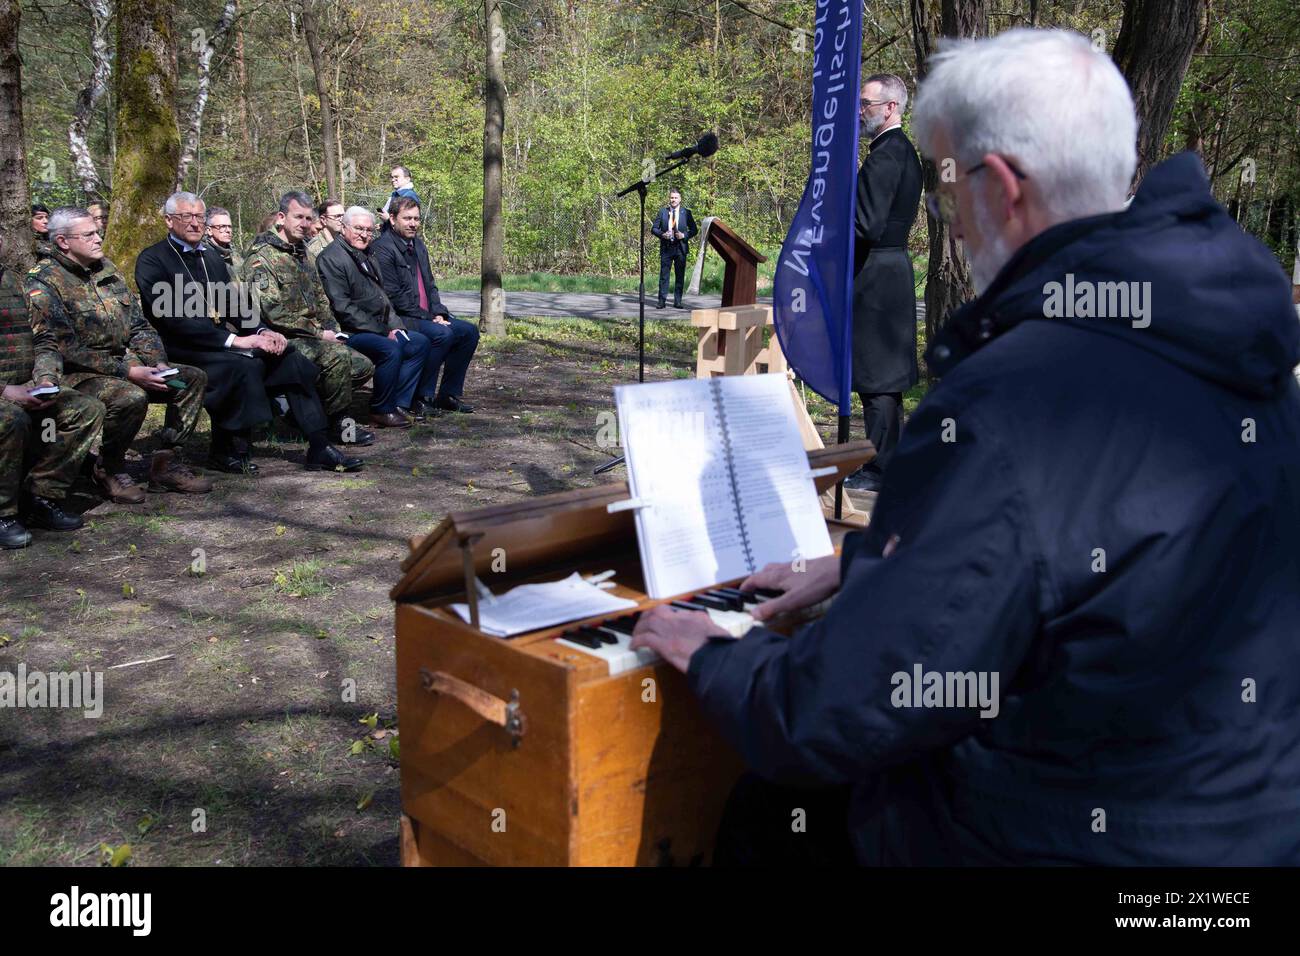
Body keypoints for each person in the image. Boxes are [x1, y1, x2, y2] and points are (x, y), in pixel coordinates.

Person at [629, 28, 1300, 866]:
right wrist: (882, 554)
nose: (948, 225)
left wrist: (723, 653)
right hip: (1240, 820)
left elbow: (833, 713)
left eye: (948, 195)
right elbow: (1099, 550)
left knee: (768, 810)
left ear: (1004, 188)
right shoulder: (1223, 337)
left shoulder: (1018, 393)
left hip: (1081, 839)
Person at [135, 191, 365, 475]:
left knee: (288, 357)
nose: (195, 223)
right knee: (242, 364)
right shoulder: (153, 260)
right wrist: (235, 340)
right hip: (182, 347)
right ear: (169, 221)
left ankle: (319, 445)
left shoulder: (211, 259)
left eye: (199, 217)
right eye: (186, 217)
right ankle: (227, 450)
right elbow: (172, 321)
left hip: (220, 342)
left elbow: (235, 306)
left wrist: (262, 330)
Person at [26, 207, 213, 503]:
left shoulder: (107, 271)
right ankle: (108, 468)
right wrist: (129, 373)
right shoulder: (44, 280)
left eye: (96, 232)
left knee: (188, 379)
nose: (98, 238)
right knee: (129, 396)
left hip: (124, 362)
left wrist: (157, 363)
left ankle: (166, 463)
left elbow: (139, 325)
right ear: (63, 241)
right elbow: (62, 346)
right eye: (89, 234)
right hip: (77, 373)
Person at [243, 191, 376, 447]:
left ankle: (302, 415)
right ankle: (341, 426)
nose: (304, 224)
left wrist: (334, 331)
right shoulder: (261, 258)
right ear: (282, 218)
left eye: (308, 218)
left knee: (362, 366)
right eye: (298, 217)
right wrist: (318, 333)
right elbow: (272, 311)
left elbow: (320, 299)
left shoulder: (302, 252)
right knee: (336, 360)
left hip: (315, 337)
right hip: (280, 339)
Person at [844, 73, 923, 494]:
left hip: (875, 276)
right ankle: (890, 462)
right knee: (885, 381)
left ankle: (878, 471)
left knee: (876, 380)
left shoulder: (884, 156)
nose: (861, 111)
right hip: (892, 271)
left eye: (867, 104)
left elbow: (867, 224)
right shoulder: (903, 151)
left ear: (890, 107)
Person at [0, 228, 105, 548]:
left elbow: (45, 339)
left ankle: (41, 496)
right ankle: (4, 512)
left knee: (87, 409)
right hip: (6, 393)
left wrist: (46, 379)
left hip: (28, 384)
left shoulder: (18, 283)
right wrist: (5, 391)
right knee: (10, 419)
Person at [316, 207, 430, 428]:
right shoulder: (332, 258)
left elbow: (383, 298)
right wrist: (384, 331)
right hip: (348, 331)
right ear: (343, 228)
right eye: (358, 228)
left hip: (375, 326)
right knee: (390, 348)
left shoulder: (368, 253)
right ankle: (381, 409)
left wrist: (397, 327)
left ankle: (399, 403)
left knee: (418, 343)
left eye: (369, 230)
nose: (364, 234)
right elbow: (343, 308)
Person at [373, 197, 478, 416]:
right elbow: (394, 296)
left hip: (426, 314)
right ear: (392, 219)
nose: (413, 223)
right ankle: (420, 396)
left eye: (416, 219)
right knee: (441, 334)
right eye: (407, 218)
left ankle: (448, 394)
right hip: (400, 317)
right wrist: (430, 317)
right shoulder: (383, 249)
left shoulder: (418, 245)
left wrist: (438, 311)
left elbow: (430, 284)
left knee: (468, 332)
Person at [650, 188, 697, 309]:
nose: (673, 200)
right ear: (669, 199)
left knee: (679, 275)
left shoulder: (686, 212)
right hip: (667, 247)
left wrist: (684, 235)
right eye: (672, 198)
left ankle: (678, 301)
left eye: (676, 198)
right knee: (664, 275)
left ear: (680, 199)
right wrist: (662, 234)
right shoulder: (662, 212)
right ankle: (661, 301)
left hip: (680, 248)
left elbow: (694, 230)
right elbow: (654, 228)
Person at [306, 198, 344, 269]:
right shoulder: (313, 249)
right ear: (323, 220)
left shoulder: (346, 241)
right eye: (337, 216)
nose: (341, 220)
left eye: (343, 216)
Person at [204, 206, 243, 274]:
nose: (228, 230)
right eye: (222, 226)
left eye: (229, 226)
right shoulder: (203, 256)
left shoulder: (235, 255)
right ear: (209, 230)